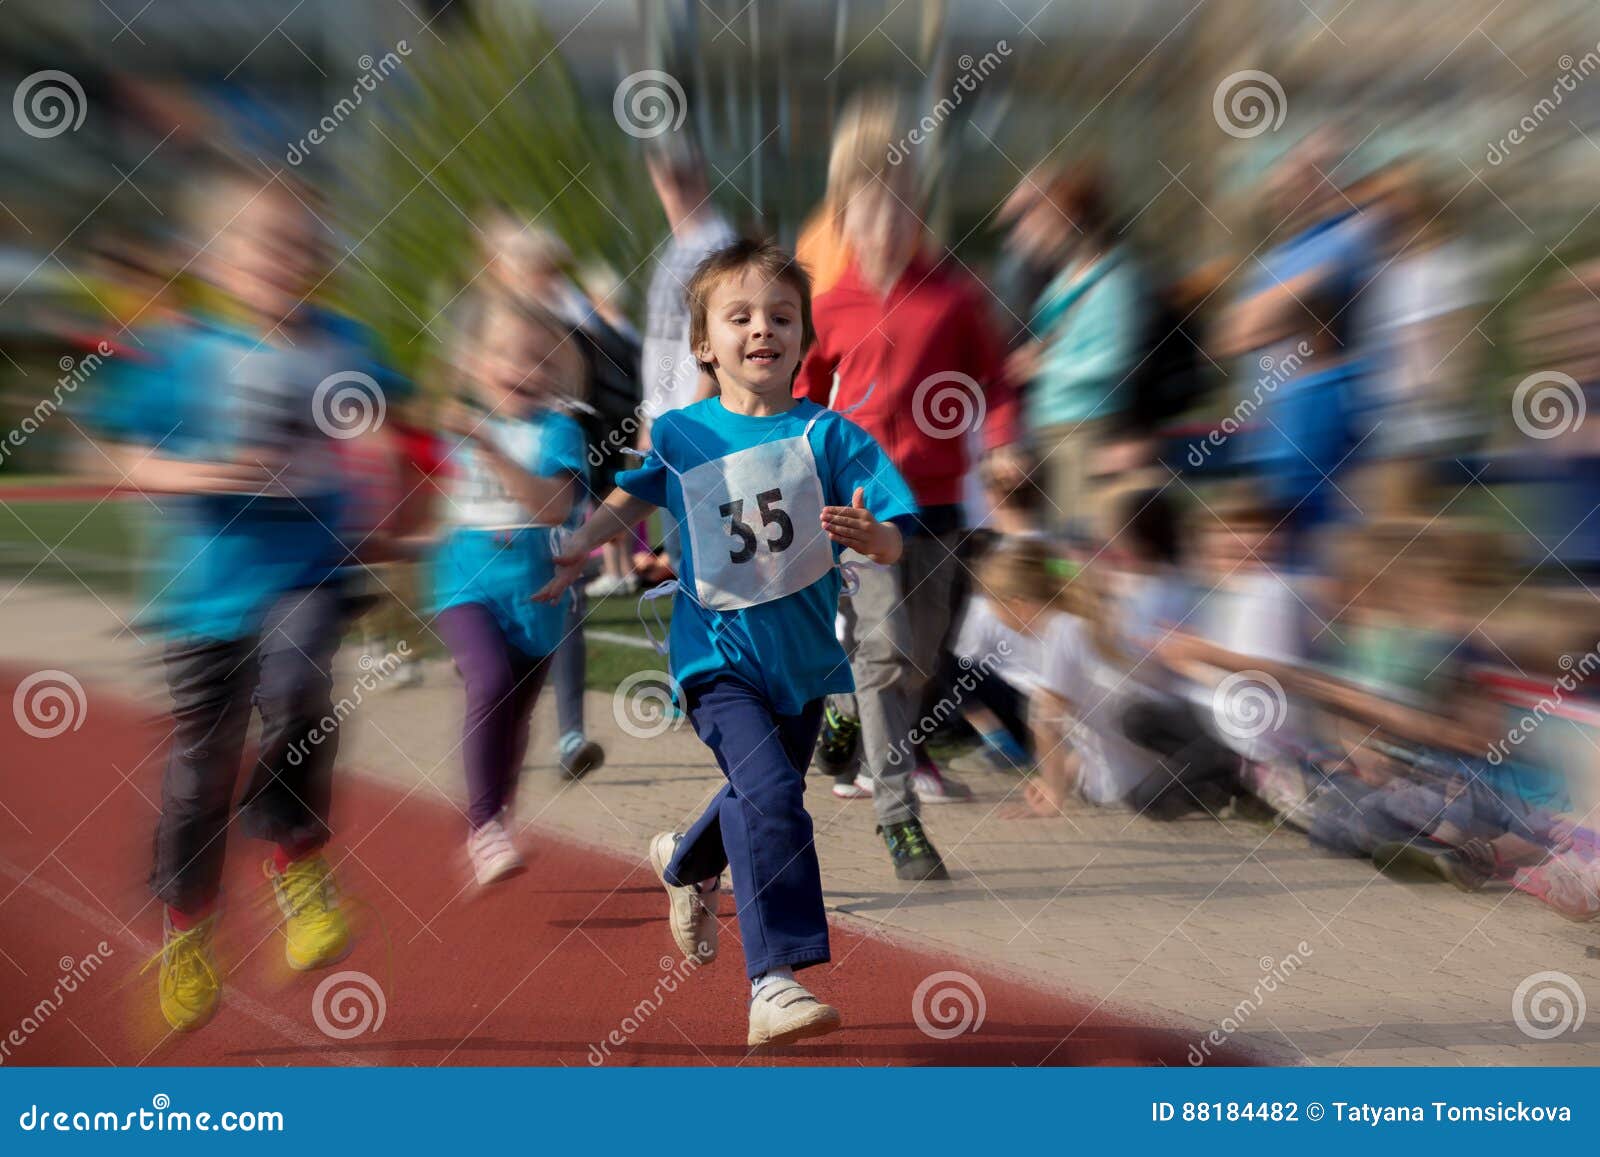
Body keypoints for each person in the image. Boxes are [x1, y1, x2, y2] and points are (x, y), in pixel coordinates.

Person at [536, 239, 916, 1046]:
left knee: (765, 792)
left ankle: (684, 861)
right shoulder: (681, 435)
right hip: (716, 662)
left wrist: (873, 537)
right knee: (774, 799)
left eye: (781, 316)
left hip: (803, 664)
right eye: (738, 316)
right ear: (704, 343)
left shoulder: (831, 436)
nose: (762, 329)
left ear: (804, 338)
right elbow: (632, 498)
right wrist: (577, 545)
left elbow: (893, 539)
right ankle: (772, 981)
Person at [88, 168, 356, 1032]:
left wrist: (388, 500)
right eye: (255, 244)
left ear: (313, 256)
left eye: (294, 244)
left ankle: (295, 856)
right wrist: (197, 471)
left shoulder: (339, 344)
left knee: (303, 683)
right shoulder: (185, 352)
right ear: (214, 259)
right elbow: (112, 454)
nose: (277, 260)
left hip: (304, 572)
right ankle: (188, 929)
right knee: (202, 772)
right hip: (205, 595)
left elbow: (390, 428)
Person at [795, 111, 1013, 879]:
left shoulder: (953, 298)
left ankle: (844, 708)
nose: (889, 219)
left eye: (903, 200)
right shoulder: (828, 304)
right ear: (844, 215)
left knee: (920, 660)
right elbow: (804, 392)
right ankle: (899, 819)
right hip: (864, 508)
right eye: (871, 203)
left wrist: (1008, 444)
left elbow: (999, 381)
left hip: (941, 505)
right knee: (885, 650)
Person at [431, 296, 589, 884]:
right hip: (464, 587)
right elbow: (419, 491)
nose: (520, 370)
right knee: (490, 680)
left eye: (537, 360)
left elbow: (554, 506)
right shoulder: (455, 425)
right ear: (474, 363)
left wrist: (490, 448)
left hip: (536, 596)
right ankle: (483, 827)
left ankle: (498, 816)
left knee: (515, 717)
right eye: (503, 355)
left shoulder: (559, 431)